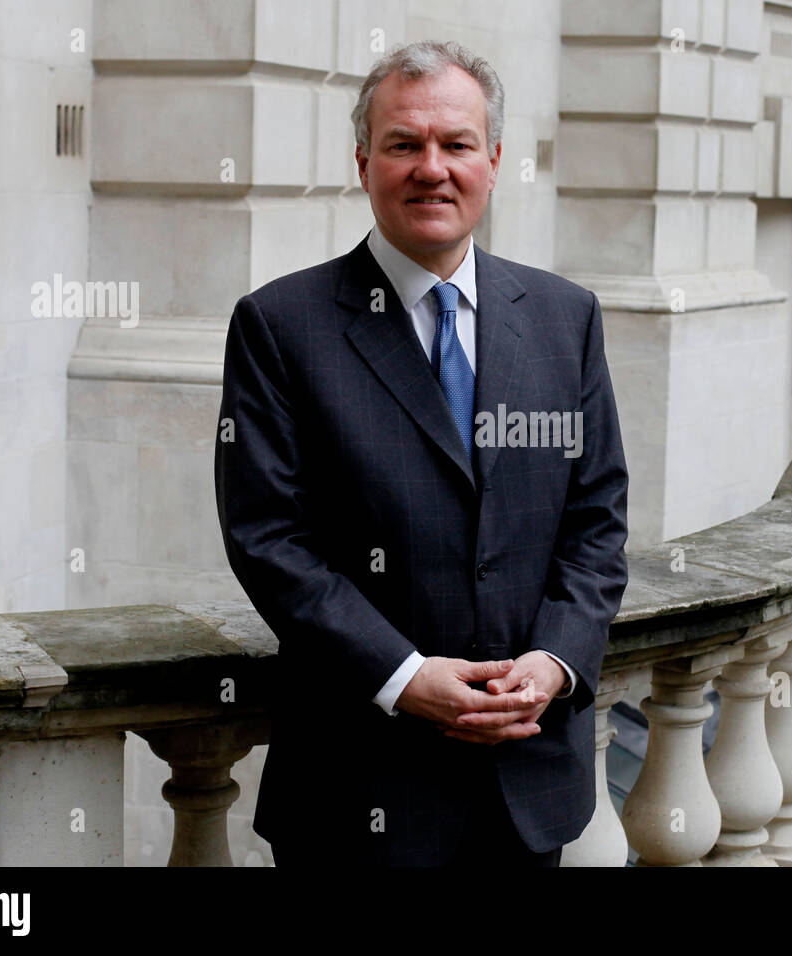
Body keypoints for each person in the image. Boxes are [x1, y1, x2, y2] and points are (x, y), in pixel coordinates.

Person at [214, 39, 628, 866]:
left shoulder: (564, 317)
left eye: (456, 144)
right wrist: (402, 678)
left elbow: (596, 523)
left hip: (527, 781)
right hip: (358, 787)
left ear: (495, 160)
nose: (431, 168)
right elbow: (269, 540)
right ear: (363, 162)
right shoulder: (281, 327)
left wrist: (554, 662)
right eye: (404, 144)